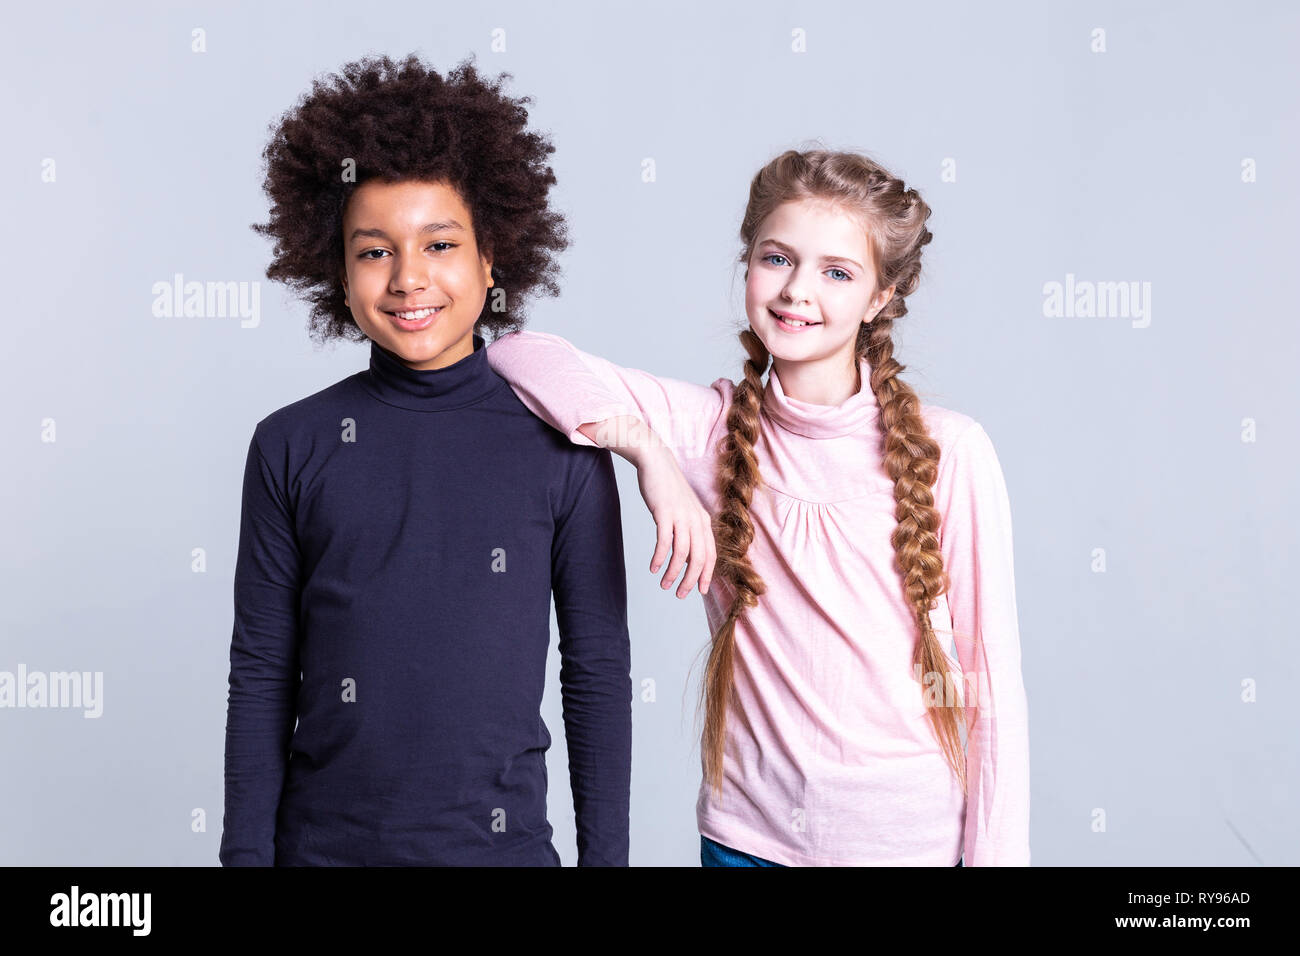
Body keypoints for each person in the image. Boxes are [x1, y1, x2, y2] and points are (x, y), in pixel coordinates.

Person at [485, 148, 1029, 866]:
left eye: (837, 272)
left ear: (880, 299)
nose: (798, 290)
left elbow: (991, 688)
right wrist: (649, 453)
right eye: (777, 259)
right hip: (746, 842)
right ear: (747, 265)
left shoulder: (950, 451)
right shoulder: (705, 430)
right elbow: (520, 352)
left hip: (906, 846)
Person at [219, 53, 632, 866]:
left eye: (440, 244)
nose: (410, 279)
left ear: (490, 260)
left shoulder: (564, 442)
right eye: (374, 251)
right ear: (337, 272)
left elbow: (597, 673)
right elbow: (262, 672)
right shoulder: (290, 445)